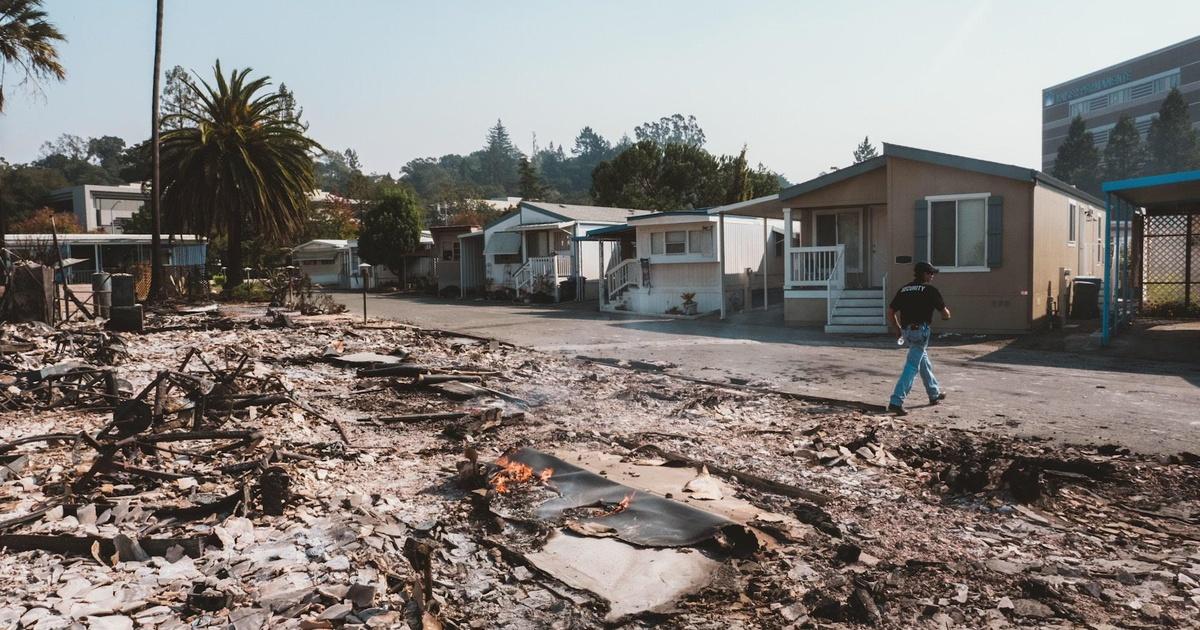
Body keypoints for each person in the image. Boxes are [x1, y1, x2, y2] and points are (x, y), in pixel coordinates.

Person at [886, 261, 951, 415]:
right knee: (911, 366)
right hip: (920, 332)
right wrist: (946, 316)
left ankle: (934, 393)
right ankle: (896, 401)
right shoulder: (930, 290)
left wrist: (897, 330)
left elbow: (890, 311)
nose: (933, 275)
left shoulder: (904, 289)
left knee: (923, 360)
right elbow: (945, 313)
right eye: (930, 273)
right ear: (924, 274)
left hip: (907, 331)